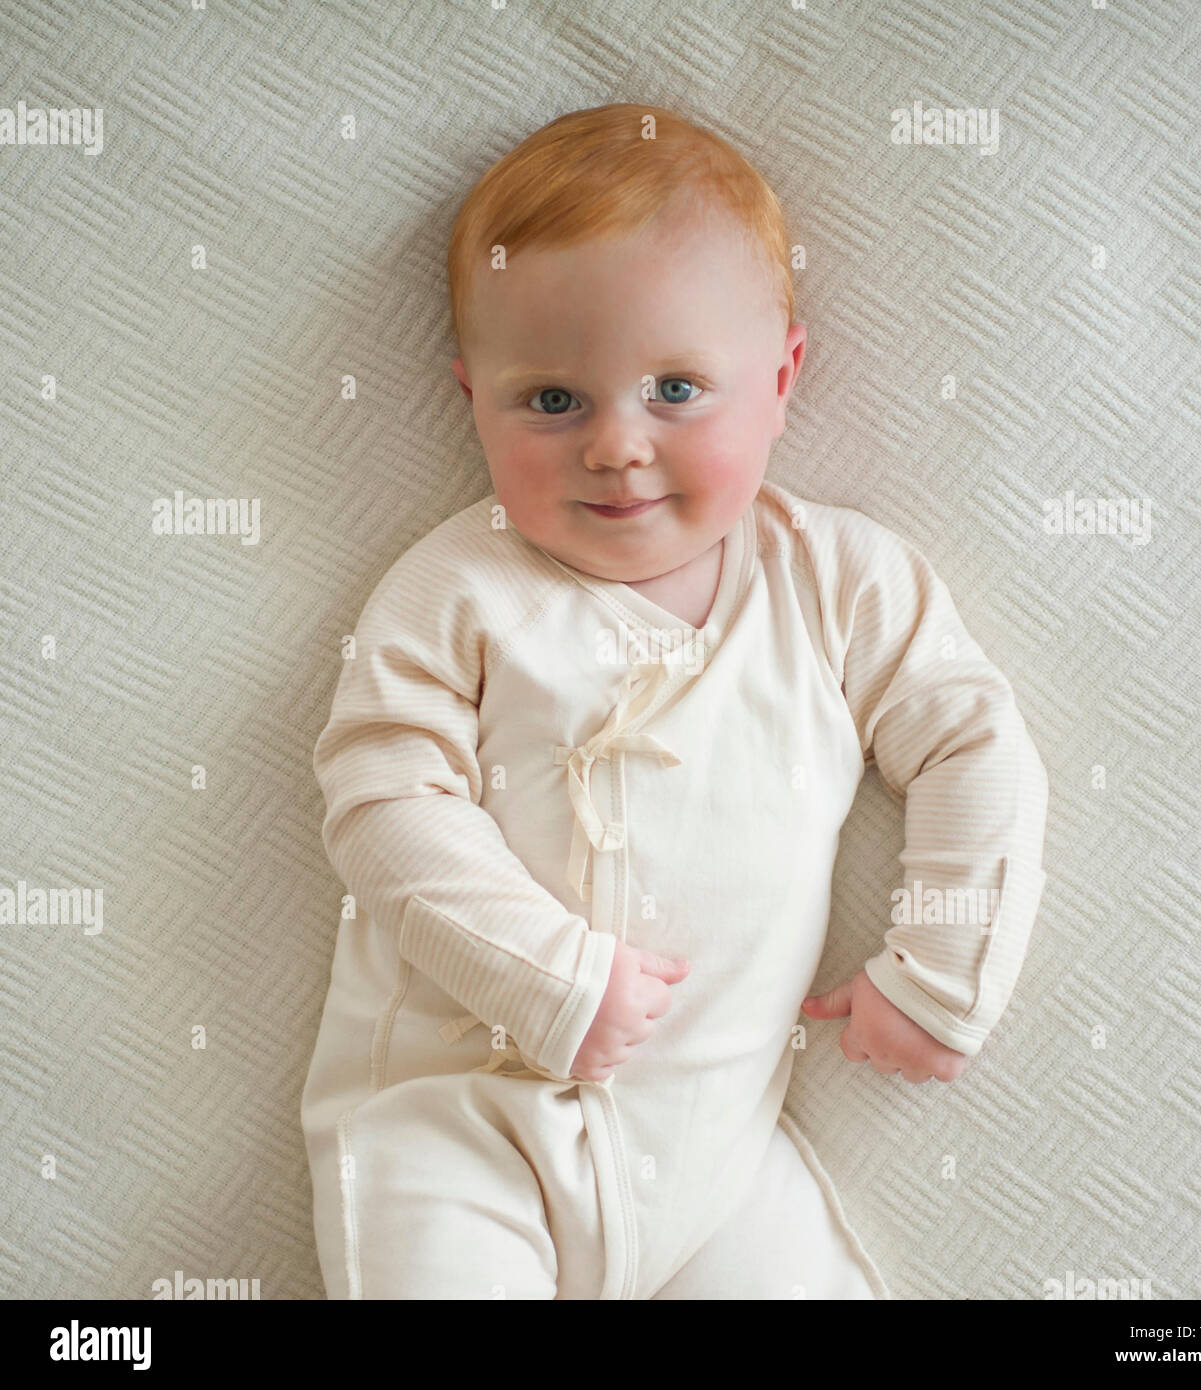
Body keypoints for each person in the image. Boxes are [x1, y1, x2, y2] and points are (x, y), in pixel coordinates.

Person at [300, 102, 1049, 1300]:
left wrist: (944, 966)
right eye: (551, 400)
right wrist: (550, 972)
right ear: (469, 397)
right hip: (460, 1125)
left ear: (782, 378)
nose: (615, 445)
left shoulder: (835, 582)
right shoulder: (461, 587)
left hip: (714, 1157)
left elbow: (973, 739)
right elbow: (382, 798)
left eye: (677, 388)